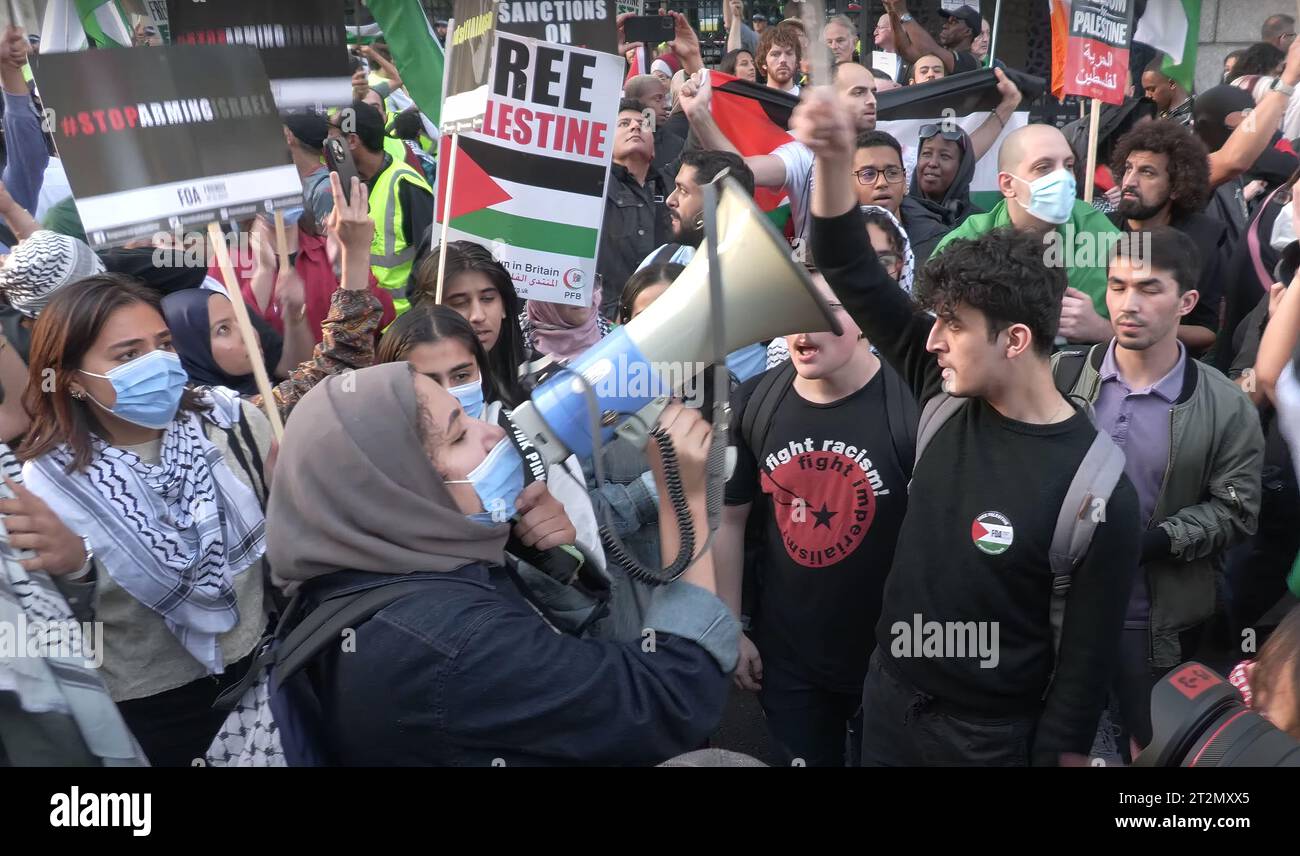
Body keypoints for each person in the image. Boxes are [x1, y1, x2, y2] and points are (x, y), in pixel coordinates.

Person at [793, 87, 1141, 765]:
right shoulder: (943, 390)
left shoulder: (1099, 493)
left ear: (1015, 339)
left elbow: (1081, 675)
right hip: (889, 704)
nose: (931, 342)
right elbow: (846, 264)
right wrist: (833, 159)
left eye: (952, 326)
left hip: (989, 742)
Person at [263, 363, 737, 765]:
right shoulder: (454, 646)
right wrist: (685, 499)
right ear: (396, 487)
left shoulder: (355, 571)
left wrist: (535, 550)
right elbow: (668, 697)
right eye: (458, 435)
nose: (491, 432)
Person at [17, 275, 275, 767]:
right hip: (153, 704)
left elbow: (285, 553)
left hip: (262, 664)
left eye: (164, 345)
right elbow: (47, 634)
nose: (157, 364)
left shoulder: (231, 423)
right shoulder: (46, 484)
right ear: (71, 378)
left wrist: (292, 496)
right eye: (127, 355)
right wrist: (78, 569)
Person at [1053, 227, 1264, 754]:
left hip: (1152, 626)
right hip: (1054, 615)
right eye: (1117, 285)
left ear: (1186, 301)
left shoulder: (1225, 406)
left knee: (1150, 751)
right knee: (1058, 746)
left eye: (1149, 288)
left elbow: (1237, 512)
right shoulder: (1059, 376)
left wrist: (1153, 542)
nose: (1128, 303)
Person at [717, 271, 913, 767]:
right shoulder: (755, 401)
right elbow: (731, 520)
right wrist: (731, 626)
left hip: (889, 661)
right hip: (789, 660)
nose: (805, 333)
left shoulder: (913, 405)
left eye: (827, 313)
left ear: (865, 318)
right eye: (794, 314)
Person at [164, 174, 384, 424]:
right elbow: (336, 366)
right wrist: (354, 256)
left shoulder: (254, 405)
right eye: (223, 329)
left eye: (244, 319)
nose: (250, 332)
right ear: (191, 352)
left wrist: (296, 314)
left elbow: (303, 368)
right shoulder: (229, 420)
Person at [935, 123, 1123, 345]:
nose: (1063, 178)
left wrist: (1101, 330)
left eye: (1069, 165)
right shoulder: (967, 241)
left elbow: (1163, 336)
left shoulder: (1100, 233)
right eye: (1044, 168)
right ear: (1008, 184)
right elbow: (937, 331)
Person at [678, 59, 877, 246]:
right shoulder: (804, 154)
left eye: (873, 92)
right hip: (821, 276)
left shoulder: (895, 145)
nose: (872, 100)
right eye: (858, 92)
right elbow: (743, 169)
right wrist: (699, 115)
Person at [1108, 120, 1226, 354]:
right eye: (1129, 168)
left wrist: (1110, 329)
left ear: (1177, 187)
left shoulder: (1203, 238)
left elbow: (1207, 331)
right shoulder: (1098, 230)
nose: (1130, 182)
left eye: (1147, 172)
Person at [326, 101, 433, 316]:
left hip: (402, 329)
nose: (328, 143)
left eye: (334, 137)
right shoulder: (354, 183)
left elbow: (431, 262)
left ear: (352, 140)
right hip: (369, 323)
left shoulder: (405, 185)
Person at [409, 240, 529, 405]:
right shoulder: (409, 383)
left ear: (504, 306)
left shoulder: (537, 378)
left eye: (487, 299)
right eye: (459, 303)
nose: (477, 316)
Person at [594, 101, 671, 320]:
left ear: (654, 148)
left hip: (668, 321)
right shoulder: (592, 187)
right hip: (606, 325)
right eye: (624, 124)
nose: (635, 127)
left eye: (643, 124)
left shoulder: (675, 185)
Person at [884, 0, 980, 78]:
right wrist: (892, 12)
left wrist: (902, 12)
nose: (945, 26)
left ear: (967, 32)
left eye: (953, 22)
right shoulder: (940, 55)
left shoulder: (971, 61)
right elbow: (905, 51)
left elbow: (930, 50)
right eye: (947, 22)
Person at [625, 74, 684, 175]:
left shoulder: (677, 145)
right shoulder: (614, 144)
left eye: (665, 98)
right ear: (635, 102)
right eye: (658, 99)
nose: (666, 106)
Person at [1141, 58, 1193, 128]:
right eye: (1146, 90)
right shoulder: (1162, 117)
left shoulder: (1195, 118)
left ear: (1172, 84)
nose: (1147, 96)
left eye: (1152, 89)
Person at [757, 20, 802, 95]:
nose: (783, 60)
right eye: (775, 54)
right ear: (764, 62)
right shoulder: (753, 100)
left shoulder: (811, 102)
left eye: (789, 53)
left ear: (797, 61)